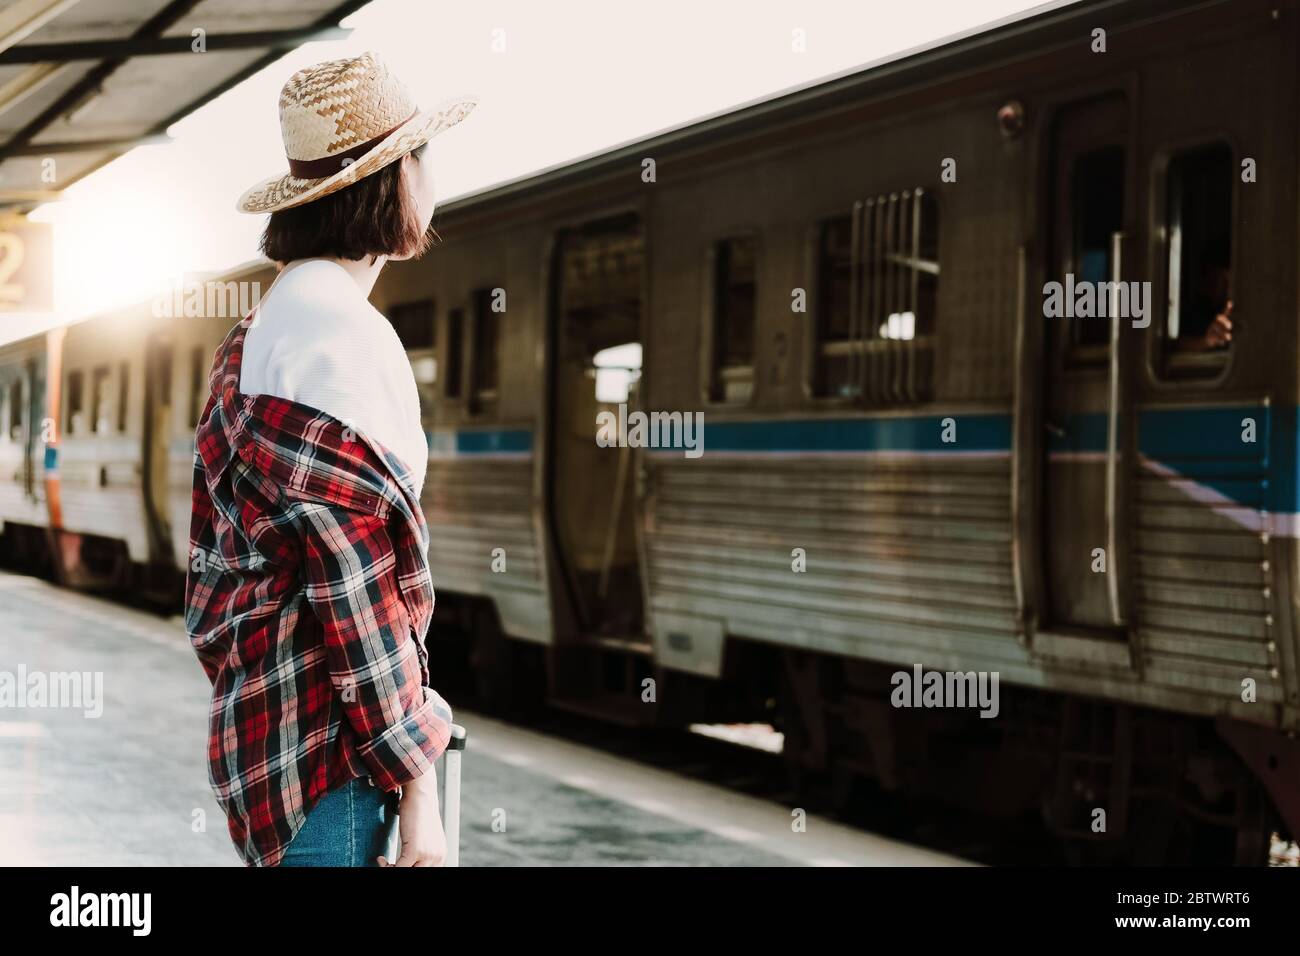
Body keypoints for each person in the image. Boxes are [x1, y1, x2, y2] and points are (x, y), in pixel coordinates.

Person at [184, 52, 476, 867]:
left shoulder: (264, 326)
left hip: (276, 748)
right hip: (330, 765)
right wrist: (420, 789)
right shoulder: (339, 332)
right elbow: (358, 597)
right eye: (422, 157)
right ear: (394, 180)